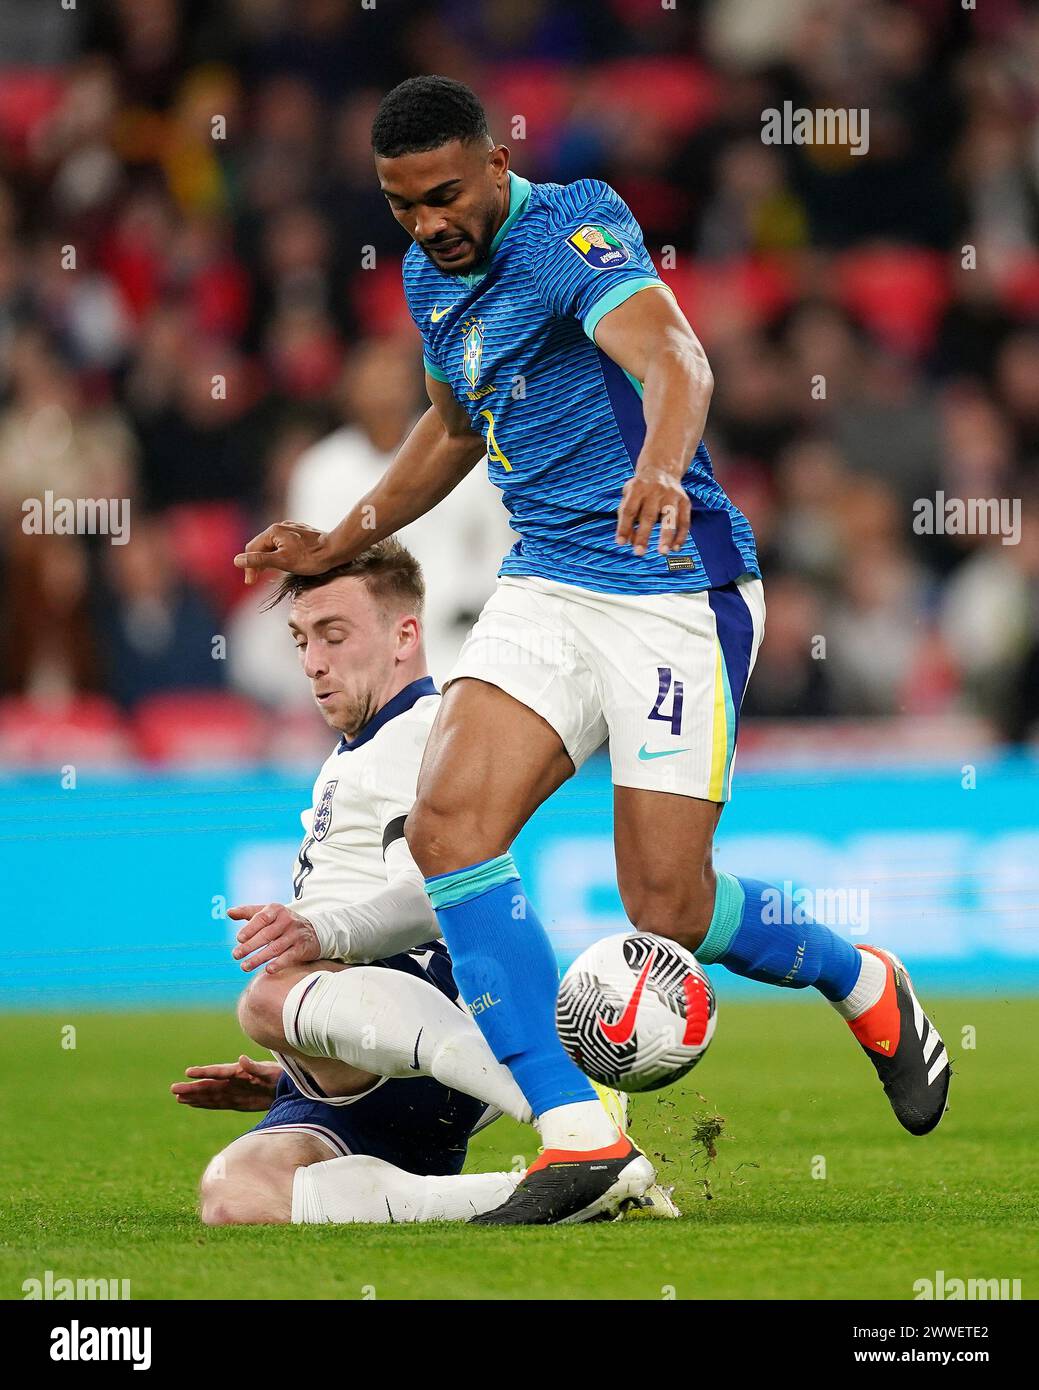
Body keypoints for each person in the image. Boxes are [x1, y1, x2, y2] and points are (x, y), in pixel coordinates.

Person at [234, 77, 950, 1226]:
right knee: (449, 823)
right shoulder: (432, 279)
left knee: (666, 903)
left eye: (446, 196)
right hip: (549, 582)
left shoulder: (575, 225)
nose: (428, 225)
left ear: (495, 160)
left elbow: (677, 360)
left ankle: (859, 975)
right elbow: (456, 427)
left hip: (673, 583)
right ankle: (575, 1136)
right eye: (403, 205)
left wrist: (662, 464)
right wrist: (339, 536)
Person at [176, 539, 667, 1224]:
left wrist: (315, 937)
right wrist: (294, 1067)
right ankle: (559, 1190)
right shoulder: (367, 746)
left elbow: (431, 897)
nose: (313, 661)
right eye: (300, 639)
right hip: (362, 1076)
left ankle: (573, 1119)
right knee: (234, 1195)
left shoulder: (425, 734)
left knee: (266, 997)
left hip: (428, 1010)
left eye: (334, 635)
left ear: (405, 634)